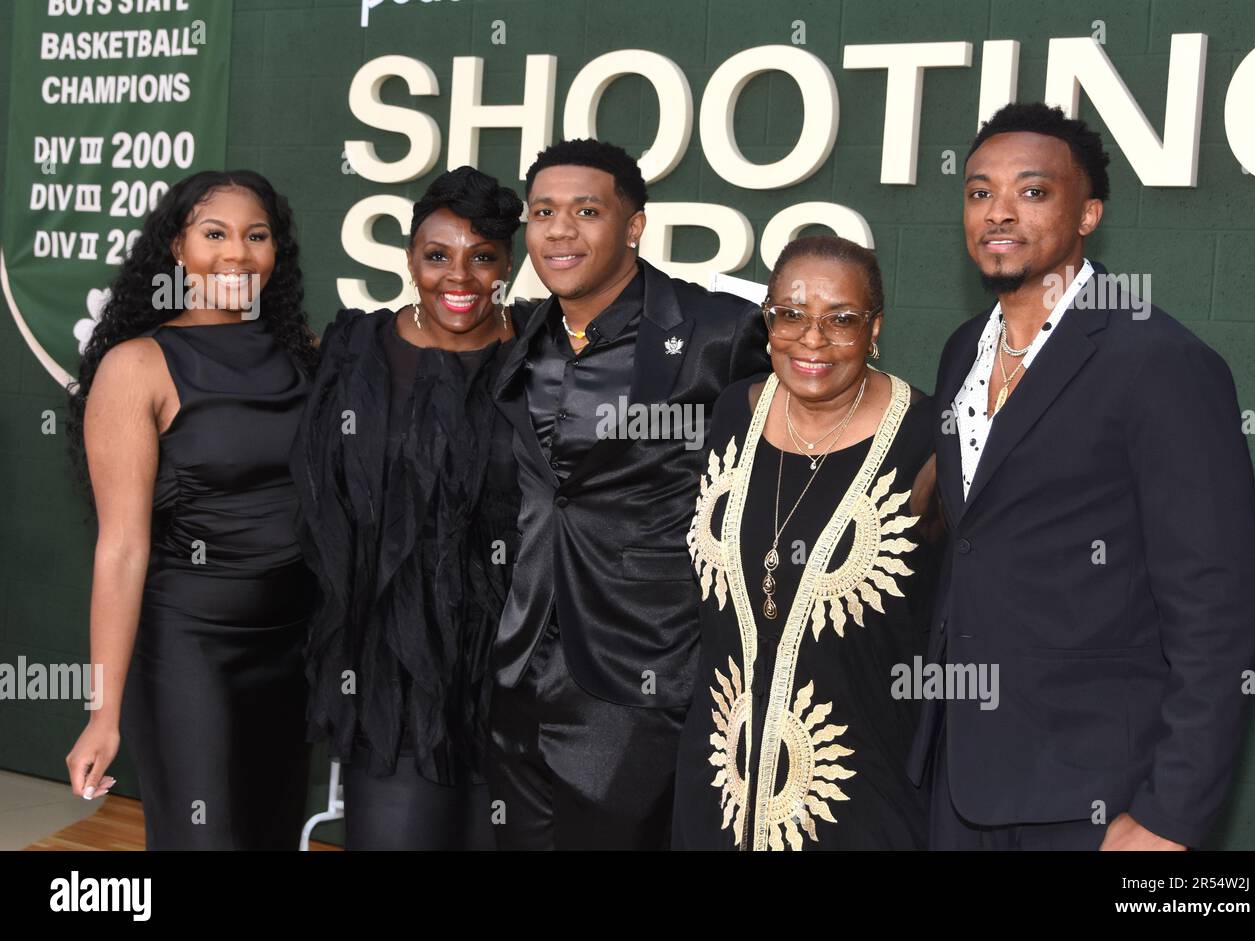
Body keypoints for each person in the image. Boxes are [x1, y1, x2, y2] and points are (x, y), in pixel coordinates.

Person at [907, 102, 1255, 850]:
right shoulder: (961, 352)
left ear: (1088, 213)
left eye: (1032, 192)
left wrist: (1172, 812)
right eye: (979, 192)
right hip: (960, 781)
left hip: (1096, 796)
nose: (999, 212)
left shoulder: (1158, 360)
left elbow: (1216, 607)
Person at [487, 139, 769, 849]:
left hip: (640, 678)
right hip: (520, 664)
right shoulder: (519, 334)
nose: (559, 230)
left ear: (635, 224)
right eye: (543, 211)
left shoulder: (717, 331)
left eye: (586, 211)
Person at [64, 170, 318, 849]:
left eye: (256, 235)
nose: (236, 253)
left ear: (276, 251)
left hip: (292, 651)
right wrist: (104, 712)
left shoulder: (305, 356)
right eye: (215, 234)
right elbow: (121, 547)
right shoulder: (138, 365)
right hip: (190, 649)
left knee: (269, 836)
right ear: (177, 248)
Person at [673, 235, 940, 850]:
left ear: (875, 329)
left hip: (865, 796)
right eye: (789, 315)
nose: (811, 339)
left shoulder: (928, 440)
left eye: (840, 319)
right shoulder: (732, 415)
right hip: (716, 786)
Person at [291, 166, 527, 850]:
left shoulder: (542, 354)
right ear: (408, 259)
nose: (460, 276)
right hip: (391, 674)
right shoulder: (354, 350)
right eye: (438, 255)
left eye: (482, 257)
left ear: (507, 264)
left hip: (515, 671)